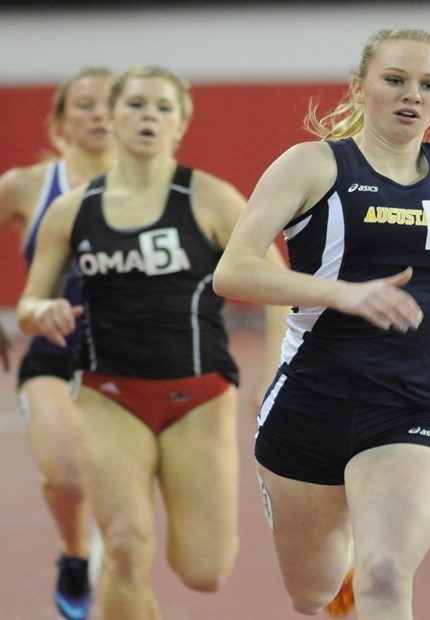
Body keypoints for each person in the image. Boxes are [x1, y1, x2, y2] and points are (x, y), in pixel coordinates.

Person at [213, 28, 430, 620]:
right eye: (395, 80)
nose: (410, 95)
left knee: (387, 575)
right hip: (311, 404)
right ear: (361, 85)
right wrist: (343, 294)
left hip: (414, 403)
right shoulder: (311, 166)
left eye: (428, 84)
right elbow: (233, 273)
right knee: (314, 593)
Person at [17, 65, 286, 620]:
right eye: (136, 105)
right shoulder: (71, 211)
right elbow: (27, 305)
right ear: (112, 116)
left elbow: (279, 287)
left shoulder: (210, 199)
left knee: (204, 570)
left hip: (201, 396)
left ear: (181, 125)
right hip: (105, 394)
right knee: (125, 546)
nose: (149, 117)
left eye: (163, 108)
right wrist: (38, 312)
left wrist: (275, 373)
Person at [0, 66, 114, 619]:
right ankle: (74, 554)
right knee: (64, 475)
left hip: (131, 360)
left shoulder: (166, 189)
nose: (100, 113)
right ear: (63, 120)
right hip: (52, 355)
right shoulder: (27, 185)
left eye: (111, 103)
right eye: (86, 104)